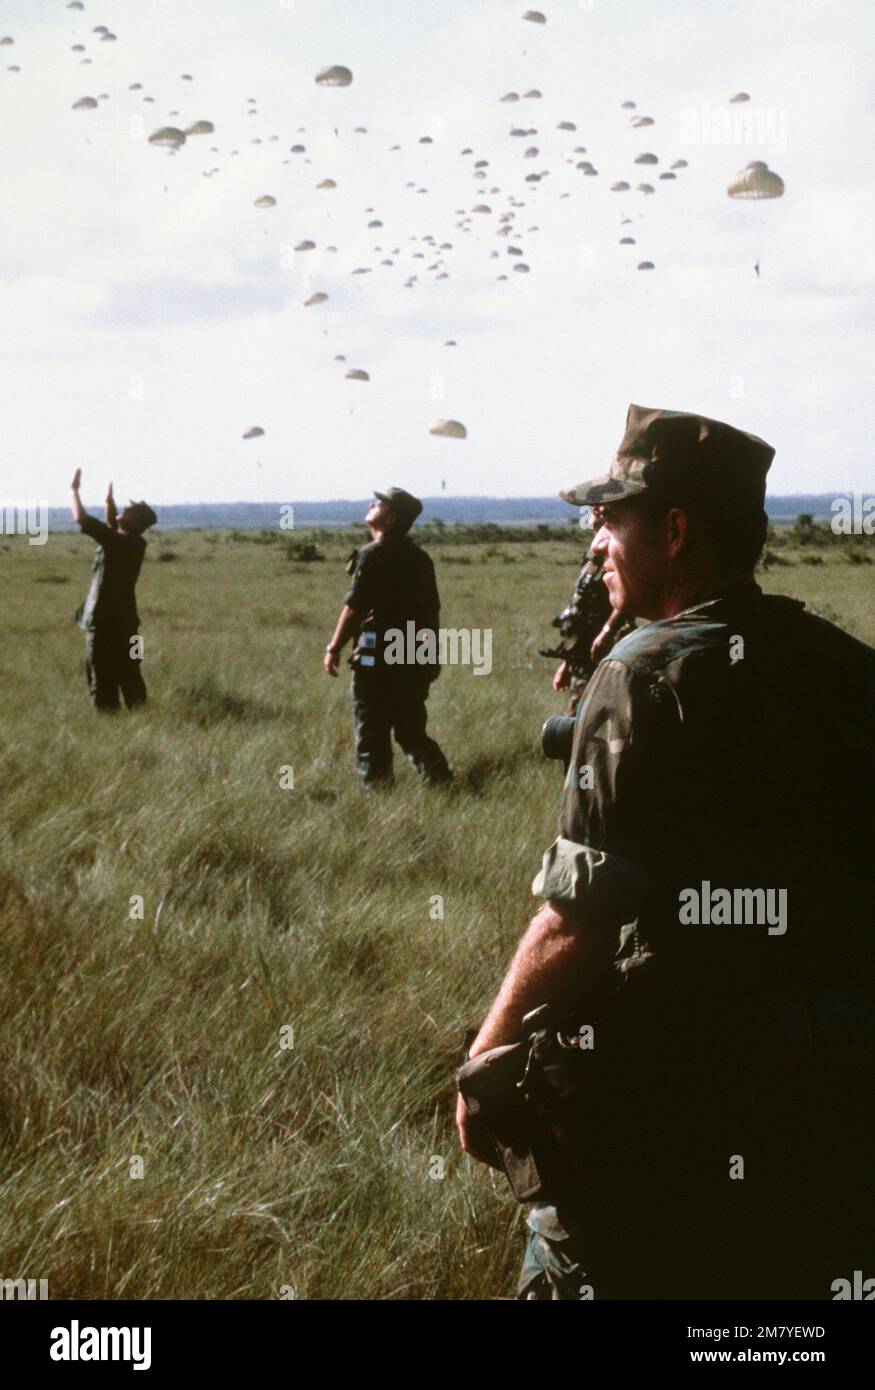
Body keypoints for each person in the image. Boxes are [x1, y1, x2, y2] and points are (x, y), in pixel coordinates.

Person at [456, 404, 875, 1300]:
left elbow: (575, 923)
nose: (596, 542)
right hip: (833, 1090)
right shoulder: (841, 662)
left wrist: (480, 1067)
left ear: (675, 530)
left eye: (610, 519)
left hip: (683, 1083)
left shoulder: (644, 674)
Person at [323, 487, 452, 787]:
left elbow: (354, 609)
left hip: (375, 660)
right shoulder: (421, 558)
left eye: (379, 503)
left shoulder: (371, 555)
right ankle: (441, 781)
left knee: (371, 736)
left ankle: (378, 796)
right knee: (411, 732)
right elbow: (431, 614)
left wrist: (333, 648)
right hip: (410, 657)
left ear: (391, 518)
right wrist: (430, 659)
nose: (372, 504)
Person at [70, 469, 157, 711]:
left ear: (137, 522)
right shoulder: (135, 543)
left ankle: (109, 724)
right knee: (133, 668)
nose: (123, 512)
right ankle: (143, 716)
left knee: (100, 675)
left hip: (102, 625)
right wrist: (110, 503)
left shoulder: (118, 542)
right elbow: (113, 525)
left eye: (128, 512)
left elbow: (81, 520)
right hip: (131, 625)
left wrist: (74, 491)